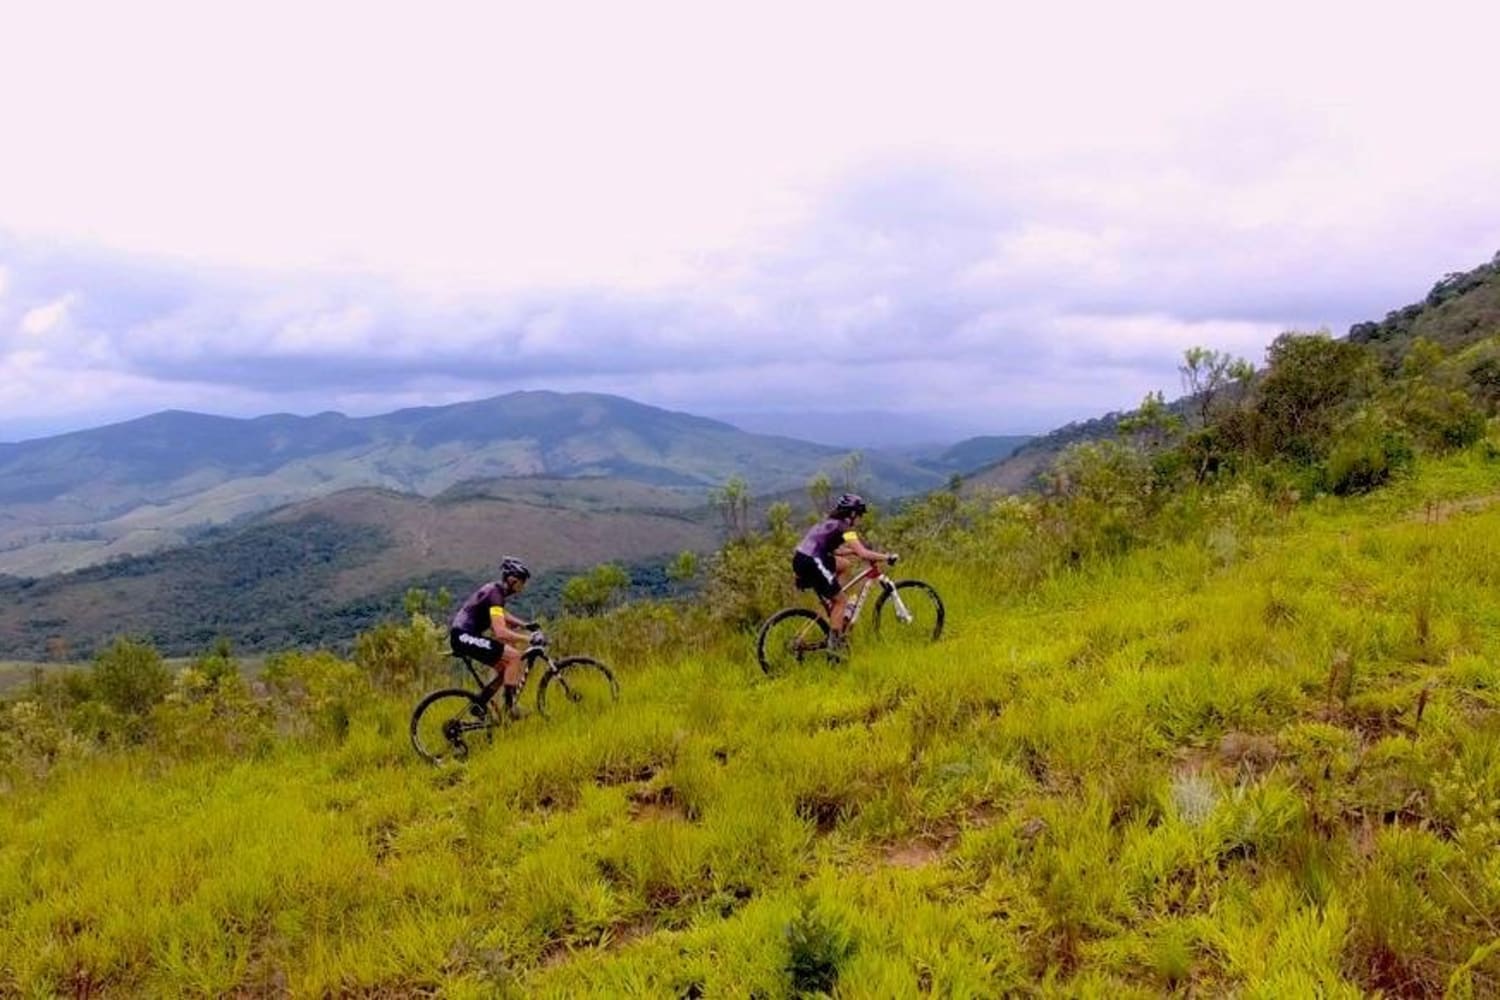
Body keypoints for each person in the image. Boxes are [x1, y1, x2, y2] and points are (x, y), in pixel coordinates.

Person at [791, 493, 894, 651]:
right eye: (859, 514)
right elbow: (864, 554)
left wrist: (851, 552)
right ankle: (835, 647)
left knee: (844, 565)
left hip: (801, 558)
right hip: (813, 561)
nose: (860, 518)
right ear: (852, 513)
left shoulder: (830, 523)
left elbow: (829, 549)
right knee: (841, 601)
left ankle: (835, 602)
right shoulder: (846, 528)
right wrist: (886, 557)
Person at [449, 556, 545, 719]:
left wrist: (525, 625)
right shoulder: (495, 593)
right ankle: (510, 709)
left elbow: (501, 613)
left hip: (464, 636)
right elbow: (500, 631)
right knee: (515, 657)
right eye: (522, 582)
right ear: (513, 580)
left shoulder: (496, 591)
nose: (523, 586)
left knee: (505, 669)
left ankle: (479, 703)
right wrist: (529, 639)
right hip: (463, 636)